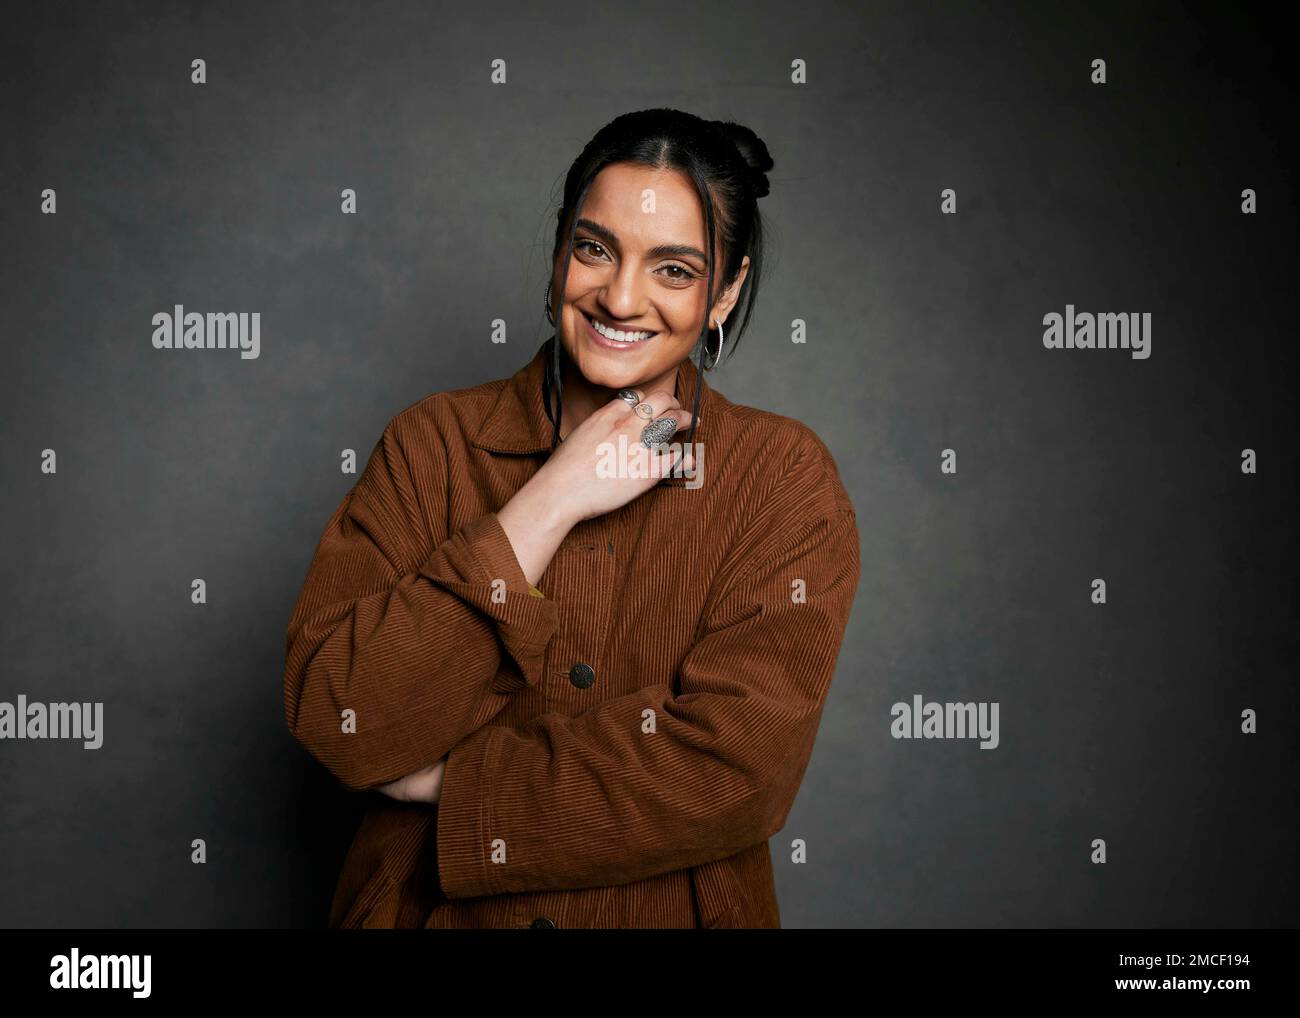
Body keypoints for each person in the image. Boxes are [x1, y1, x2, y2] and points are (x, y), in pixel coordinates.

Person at [283, 107, 861, 928]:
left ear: (726, 291)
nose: (620, 297)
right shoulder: (431, 443)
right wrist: (549, 500)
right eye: (595, 249)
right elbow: (343, 721)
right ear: (559, 251)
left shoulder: (782, 480)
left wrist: (458, 786)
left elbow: (738, 770)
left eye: (673, 269)